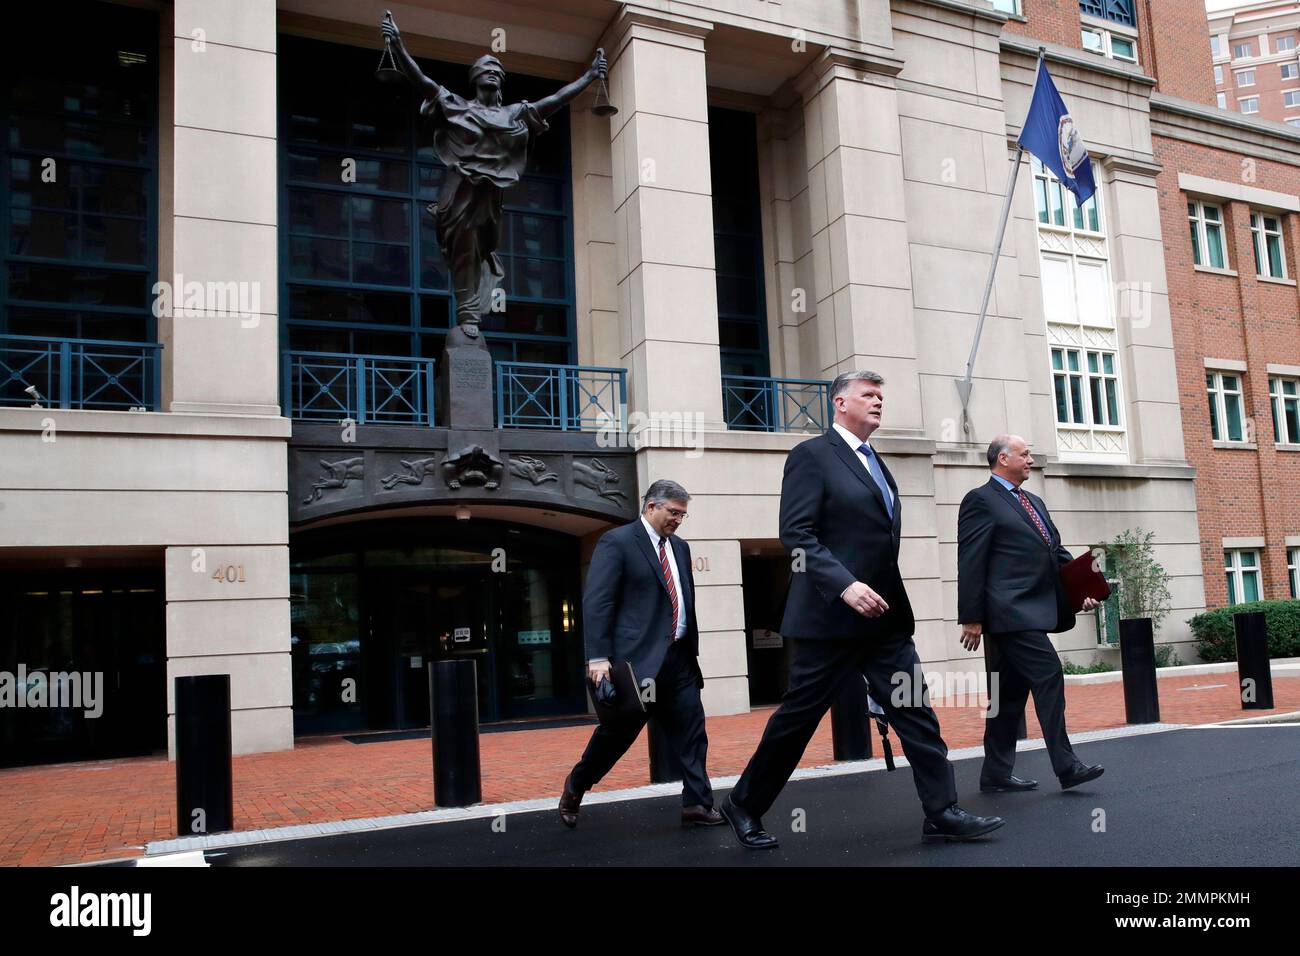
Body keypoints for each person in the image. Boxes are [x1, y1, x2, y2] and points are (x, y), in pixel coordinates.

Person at [720, 371, 1004, 848]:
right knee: (797, 722)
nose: (878, 403)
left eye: (880, 396)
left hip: (885, 622)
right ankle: (742, 804)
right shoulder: (812, 456)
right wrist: (844, 585)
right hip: (829, 620)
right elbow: (797, 535)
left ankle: (942, 811)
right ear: (839, 403)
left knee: (916, 710)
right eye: (868, 396)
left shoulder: (878, 464)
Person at [380, 12, 606, 329]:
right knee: (463, 250)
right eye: (485, 69)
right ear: (474, 77)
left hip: (488, 200)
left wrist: (589, 77)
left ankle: (473, 310)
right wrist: (398, 45)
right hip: (458, 195)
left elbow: (555, 100)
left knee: (480, 251)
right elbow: (422, 81)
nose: (492, 73)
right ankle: (468, 314)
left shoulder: (515, 114)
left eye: (497, 70)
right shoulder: (456, 105)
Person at [558, 480, 723, 829]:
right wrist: (598, 657)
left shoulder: (680, 548)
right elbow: (598, 602)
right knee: (617, 736)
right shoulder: (617, 542)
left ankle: (697, 804)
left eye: (683, 514)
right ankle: (577, 785)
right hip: (636, 664)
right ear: (651, 506)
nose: (678, 520)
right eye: (673, 512)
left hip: (679, 660)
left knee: (693, 732)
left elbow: (681, 598)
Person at [957, 434, 1104, 793]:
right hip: (1008, 612)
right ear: (1002, 459)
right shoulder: (980, 501)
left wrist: (1081, 592)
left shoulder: (1034, 501)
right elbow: (971, 560)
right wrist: (971, 616)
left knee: (1007, 694)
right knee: (1049, 673)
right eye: (1025, 454)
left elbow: (1056, 552)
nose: (1031, 460)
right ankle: (1066, 766)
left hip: (1033, 609)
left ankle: (995, 772)